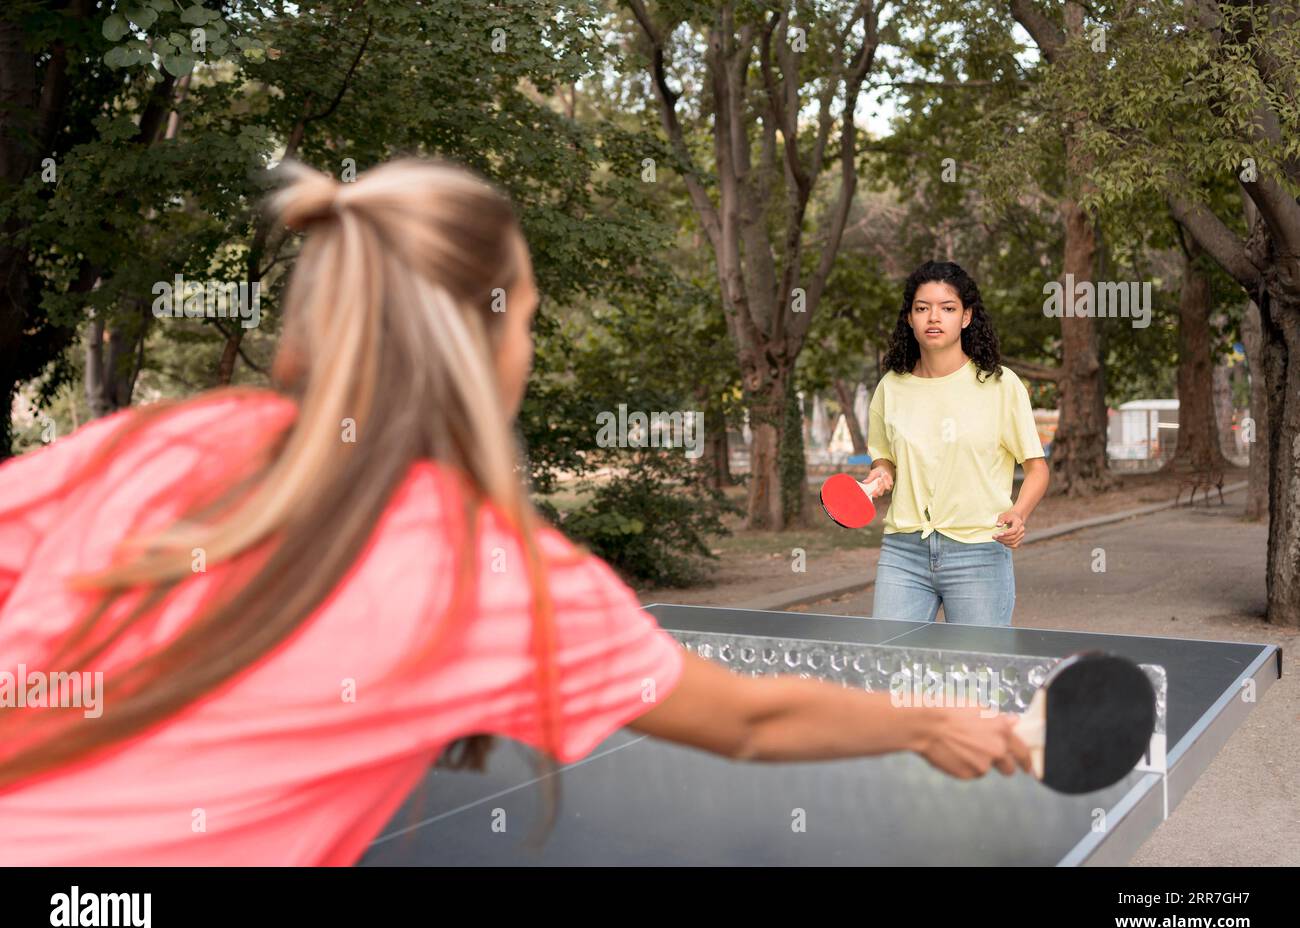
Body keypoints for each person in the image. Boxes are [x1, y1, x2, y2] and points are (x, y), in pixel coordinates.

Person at [0, 159, 1030, 865]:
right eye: (525, 317)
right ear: (481, 342)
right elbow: (751, 718)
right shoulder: (487, 574)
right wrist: (926, 719)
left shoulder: (174, 437)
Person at [865, 261, 1050, 626]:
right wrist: (880, 475)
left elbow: (1036, 469)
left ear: (966, 317)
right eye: (922, 308)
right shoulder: (891, 386)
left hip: (979, 552)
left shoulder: (1000, 385)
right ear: (909, 318)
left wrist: (1018, 513)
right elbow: (883, 458)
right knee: (887, 672)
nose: (934, 317)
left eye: (947, 308)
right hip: (904, 551)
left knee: (977, 678)